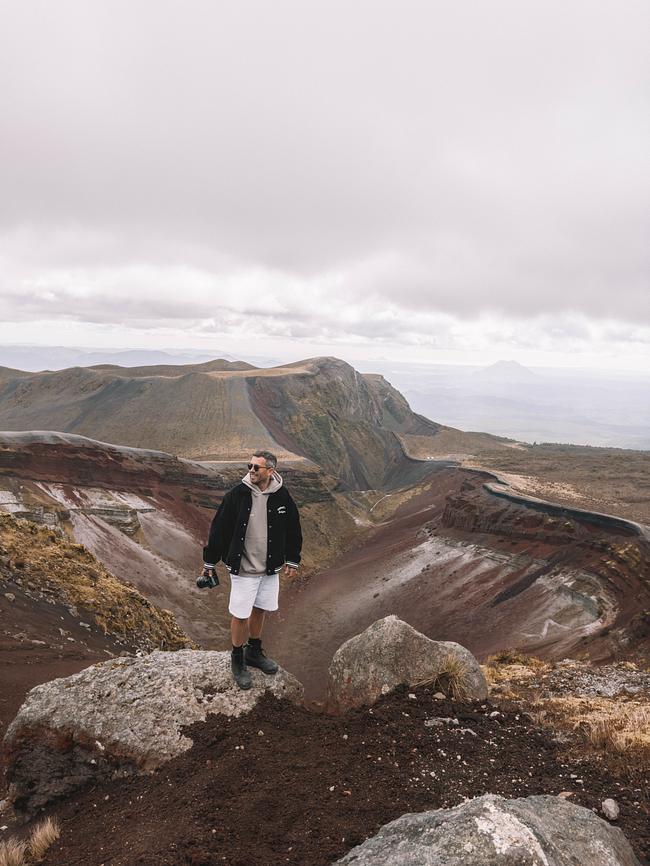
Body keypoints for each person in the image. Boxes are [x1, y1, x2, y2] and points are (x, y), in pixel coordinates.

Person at [199, 450, 302, 689]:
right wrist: (209, 562)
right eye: (250, 466)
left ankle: (253, 651)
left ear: (271, 471)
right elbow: (219, 529)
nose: (251, 471)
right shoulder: (237, 495)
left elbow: (293, 528)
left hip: (269, 567)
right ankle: (237, 657)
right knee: (241, 613)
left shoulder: (282, 496)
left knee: (261, 609)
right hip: (243, 567)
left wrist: (292, 559)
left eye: (257, 467)